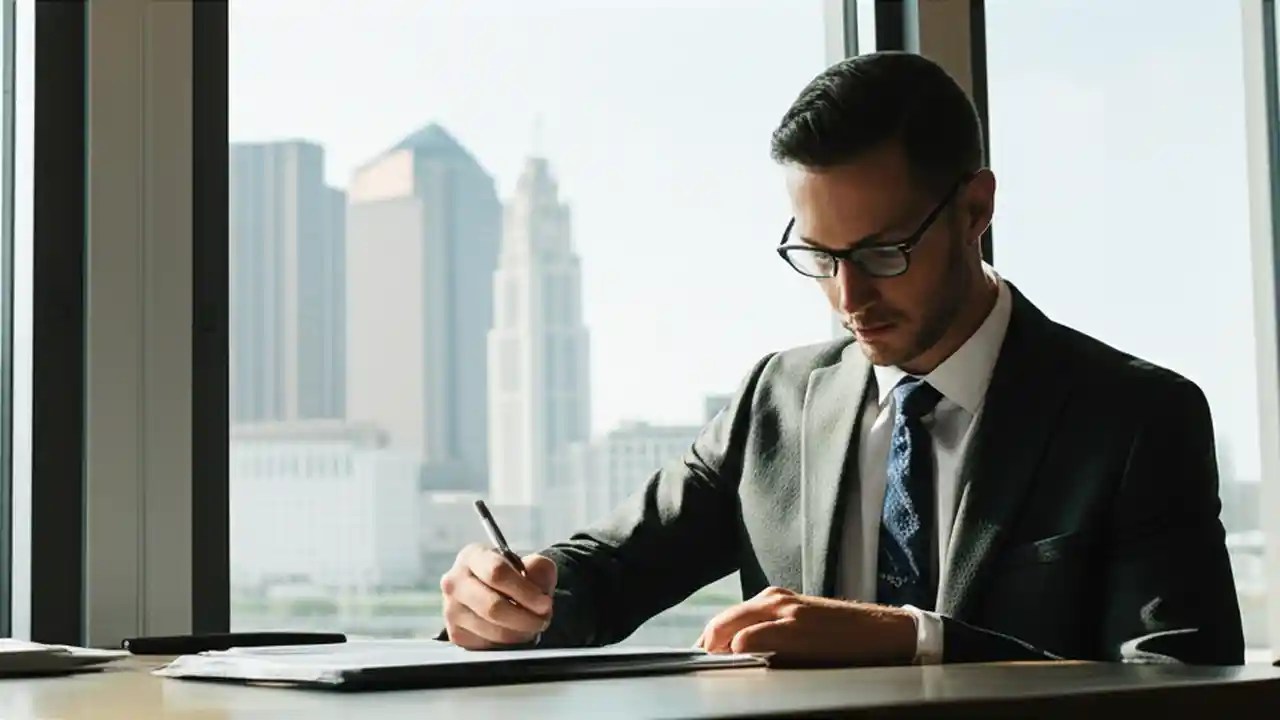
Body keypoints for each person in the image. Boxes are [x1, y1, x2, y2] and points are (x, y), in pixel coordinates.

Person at [439, 51, 1244, 665]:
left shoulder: (1135, 419)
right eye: (819, 255)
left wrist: (919, 643)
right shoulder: (777, 402)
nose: (848, 296)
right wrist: (518, 595)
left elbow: (1182, 684)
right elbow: (610, 569)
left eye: (883, 252)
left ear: (975, 210)